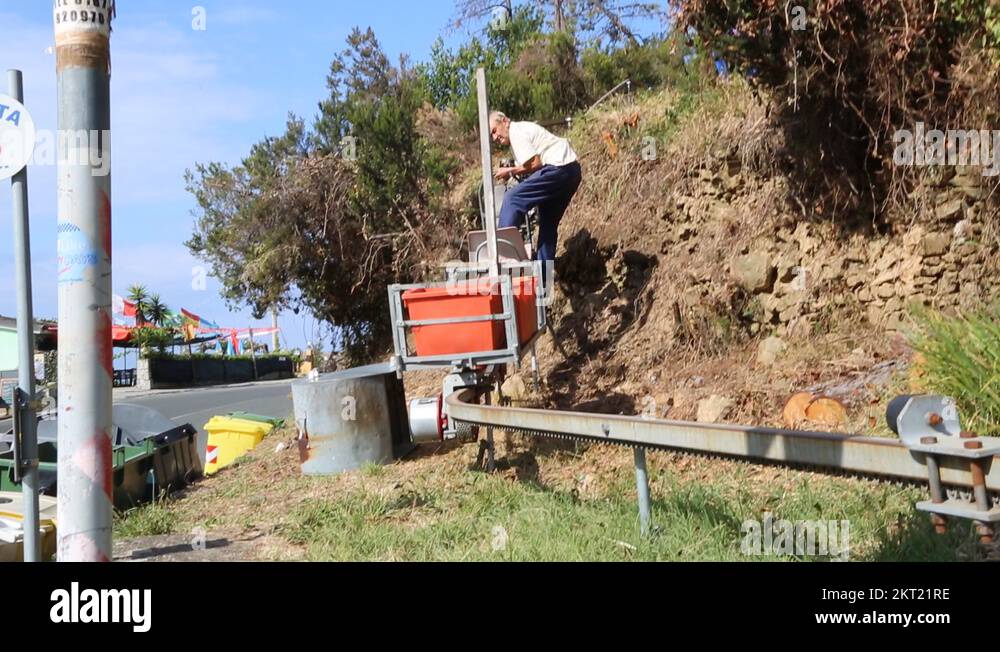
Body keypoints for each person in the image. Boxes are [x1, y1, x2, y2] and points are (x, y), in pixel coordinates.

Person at [489, 111, 583, 271]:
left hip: (557, 168)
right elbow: (532, 164)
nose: (494, 137)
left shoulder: (515, 131)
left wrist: (510, 172)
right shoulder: (522, 130)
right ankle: (543, 280)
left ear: (504, 121)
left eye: (494, 131)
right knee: (547, 224)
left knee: (512, 198)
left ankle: (502, 252)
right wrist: (514, 170)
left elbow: (535, 163)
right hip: (571, 171)